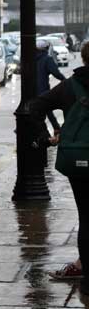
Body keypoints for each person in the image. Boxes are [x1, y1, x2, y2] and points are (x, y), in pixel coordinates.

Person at [31, 42, 89, 289]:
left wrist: (47, 137)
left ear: (83, 58)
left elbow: (35, 106)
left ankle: (87, 277)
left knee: (86, 217)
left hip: (79, 162)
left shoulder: (70, 87)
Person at [35, 38, 67, 144]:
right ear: (46, 49)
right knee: (46, 109)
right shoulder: (47, 59)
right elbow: (55, 72)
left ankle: (53, 129)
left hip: (31, 91)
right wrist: (65, 81)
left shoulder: (31, 58)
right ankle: (54, 131)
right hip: (43, 89)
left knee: (39, 111)